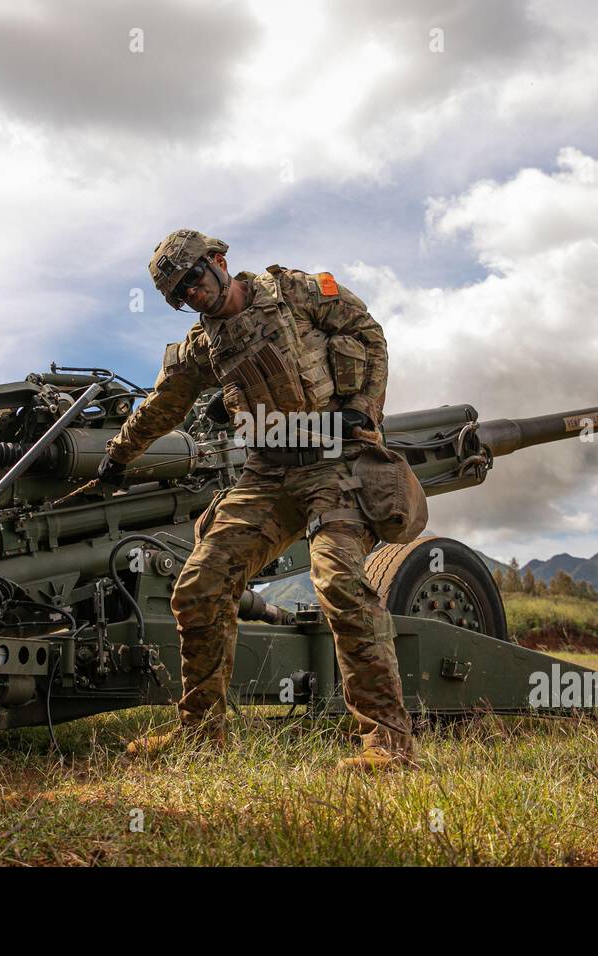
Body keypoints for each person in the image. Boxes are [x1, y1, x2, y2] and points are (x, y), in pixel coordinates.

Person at [100, 229, 415, 771]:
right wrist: (118, 458)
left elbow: (369, 334)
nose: (193, 296)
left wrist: (364, 408)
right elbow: (162, 406)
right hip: (268, 473)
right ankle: (201, 735)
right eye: (179, 295)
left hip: (333, 463)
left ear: (219, 260)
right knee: (199, 587)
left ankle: (388, 747)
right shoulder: (203, 349)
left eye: (194, 279)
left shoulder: (295, 292)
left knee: (339, 583)